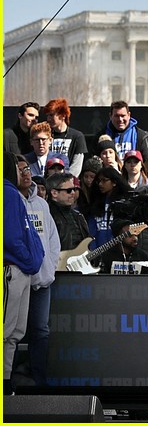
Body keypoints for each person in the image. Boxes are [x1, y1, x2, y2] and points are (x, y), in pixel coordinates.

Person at [15, 156, 58, 385]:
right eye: (20, 170)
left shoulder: (41, 203)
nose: (26, 173)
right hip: (16, 278)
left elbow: (52, 240)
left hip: (41, 282)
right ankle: (9, 381)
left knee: (41, 331)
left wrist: (47, 267)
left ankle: (40, 382)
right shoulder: (9, 201)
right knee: (13, 332)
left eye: (27, 169)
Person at [4, 152, 44, 383]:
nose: (23, 172)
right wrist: (28, 260)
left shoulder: (13, 193)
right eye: (18, 168)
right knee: (6, 330)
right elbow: (9, 237)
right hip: (12, 270)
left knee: (15, 332)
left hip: (22, 270)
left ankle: (6, 381)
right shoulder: (7, 192)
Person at [84, 166, 134, 249]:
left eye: (104, 180)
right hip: (97, 253)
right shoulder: (95, 204)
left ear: (114, 182)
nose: (100, 184)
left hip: (119, 252)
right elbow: (91, 232)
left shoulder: (125, 203)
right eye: (98, 181)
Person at [43, 99, 88, 178]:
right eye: (47, 116)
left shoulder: (77, 136)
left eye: (51, 115)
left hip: (68, 182)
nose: (48, 119)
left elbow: (77, 166)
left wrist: (66, 180)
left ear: (63, 116)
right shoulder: (45, 136)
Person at [46, 173, 91, 253]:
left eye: (74, 189)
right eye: (69, 190)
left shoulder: (78, 216)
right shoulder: (47, 216)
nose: (73, 193)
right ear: (54, 193)